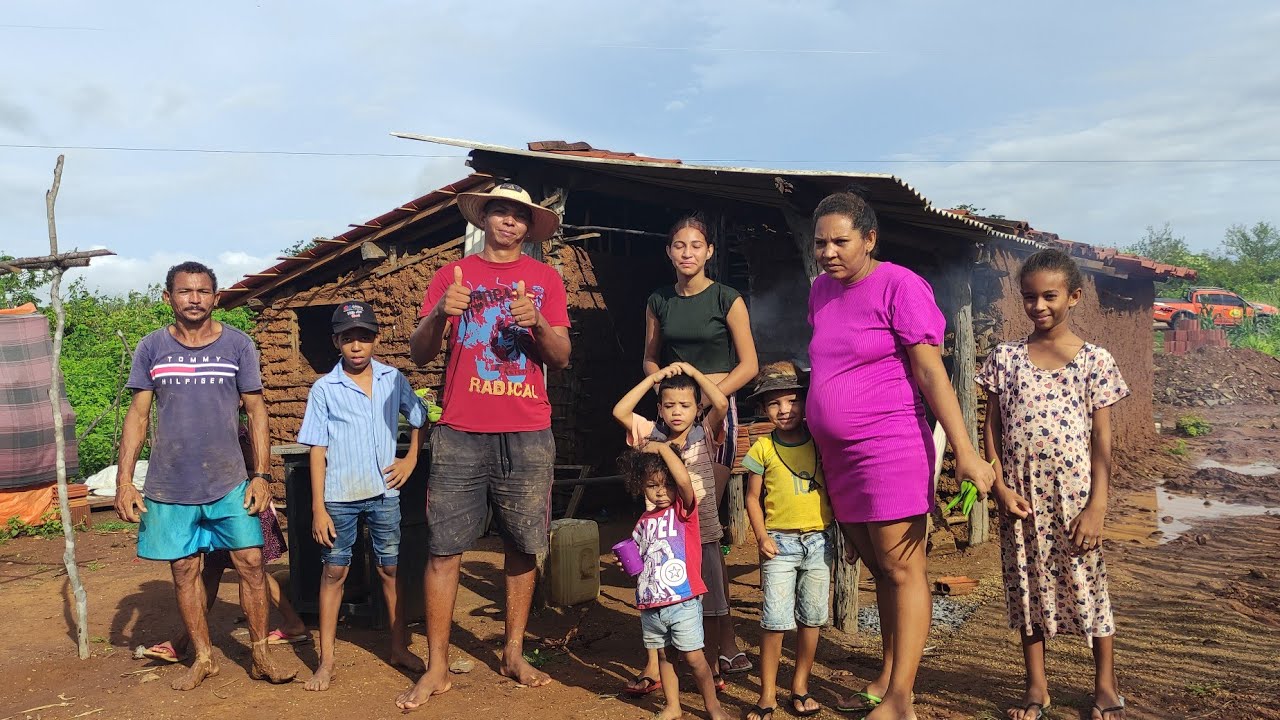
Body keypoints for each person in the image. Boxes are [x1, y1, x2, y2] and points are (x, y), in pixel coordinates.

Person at [804, 193, 996, 719]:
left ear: (869, 239)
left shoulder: (900, 285)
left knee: (902, 569)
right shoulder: (820, 291)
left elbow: (932, 373)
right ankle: (889, 675)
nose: (828, 252)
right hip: (841, 459)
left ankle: (901, 701)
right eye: (821, 242)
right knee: (880, 569)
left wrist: (966, 452)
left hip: (889, 446)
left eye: (841, 241)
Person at [398, 184, 571, 710]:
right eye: (501, 211)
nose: (509, 222)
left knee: (523, 545)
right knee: (444, 548)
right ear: (486, 219)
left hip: (527, 429)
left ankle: (513, 653)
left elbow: (561, 356)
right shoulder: (452, 276)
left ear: (528, 226)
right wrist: (438, 315)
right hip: (460, 429)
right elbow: (421, 352)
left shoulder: (546, 281)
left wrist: (536, 320)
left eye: (519, 215)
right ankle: (437, 667)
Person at [114, 261, 296, 690]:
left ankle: (260, 654)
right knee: (184, 570)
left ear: (216, 298)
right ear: (168, 298)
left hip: (230, 480)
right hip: (170, 484)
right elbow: (138, 416)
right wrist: (125, 481)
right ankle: (203, 657)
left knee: (251, 562)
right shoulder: (151, 348)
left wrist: (262, 474)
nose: (194, 299)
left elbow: (256, 411)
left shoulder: (238, 345)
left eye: (202, 292)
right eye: (184, 291)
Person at [977, 249, 1130, 720]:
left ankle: (1105, 684)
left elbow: (1102, 441)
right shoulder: (1006, 357)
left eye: (1049, 296)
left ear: (1075, 297)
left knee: (1088, 585)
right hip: (1021, 498)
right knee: (1026, 588)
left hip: (1074, 501)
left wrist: (1097, 506)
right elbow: (992, 428)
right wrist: (999, 487)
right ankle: (1036, 687)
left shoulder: (1094, 361)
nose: (1038, 306)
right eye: (1029, 297)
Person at [633, 213, 758, 691]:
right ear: (670, 253)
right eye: (679, 245)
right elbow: (650, 356)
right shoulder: (658, 300)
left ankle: (722, 638)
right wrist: (664, 388)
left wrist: (707, 399)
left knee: (701, 528)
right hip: (675, 415)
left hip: (716, 415)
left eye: (696, 245)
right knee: (665, 523)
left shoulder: (727, 298)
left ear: (709, 252)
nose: (687, 252)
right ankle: (668, 642)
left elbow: (749, 364)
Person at [297, 300, 427, 691]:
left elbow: (421, 416)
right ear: (337, 341)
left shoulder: (393, 379)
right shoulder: (324, 388)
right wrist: (318, 508)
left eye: (364, 338)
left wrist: (411, 458)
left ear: (376, 340)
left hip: (385, 492)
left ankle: (398, 647)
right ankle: (327, 660)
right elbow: (317, 449)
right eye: (348, 338)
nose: (357, 346)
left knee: (390, 569)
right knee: (334, 571)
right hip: (339, 495)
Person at [140, 412, 307, 663]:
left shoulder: (236, 433)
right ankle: (292, 623)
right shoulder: (222, 430)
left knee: (243, 572)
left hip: (239, 508)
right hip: (227, 508)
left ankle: (181, 642)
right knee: (235, 572)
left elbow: (252, 470)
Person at [742, 361, 833, 720]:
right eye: (775, 403)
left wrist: (847, 537)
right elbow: (752, 497)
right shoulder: (762, 448)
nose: (785, 410)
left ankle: (800, 686)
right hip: (779, 543)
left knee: (812, 618)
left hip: (819, 541)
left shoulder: (821, 442)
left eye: (793, 401)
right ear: (764, 408)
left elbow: (836, 490)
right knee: (775, 620)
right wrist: (761, 535)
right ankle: (766, 694)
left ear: (806, 402)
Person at [618, 443, 729, 720]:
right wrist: (627, 563)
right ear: (640, 486)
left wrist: (661, 449)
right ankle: (673, 706)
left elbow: (682, 480)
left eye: (666, 484)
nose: (660, 491)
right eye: (652, 485)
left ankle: (713, 706)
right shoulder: (643, 522)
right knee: (665, 657)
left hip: (683, 601)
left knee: (694, 658)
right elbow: (639, 559)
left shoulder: (684, 511)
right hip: (651, 604)